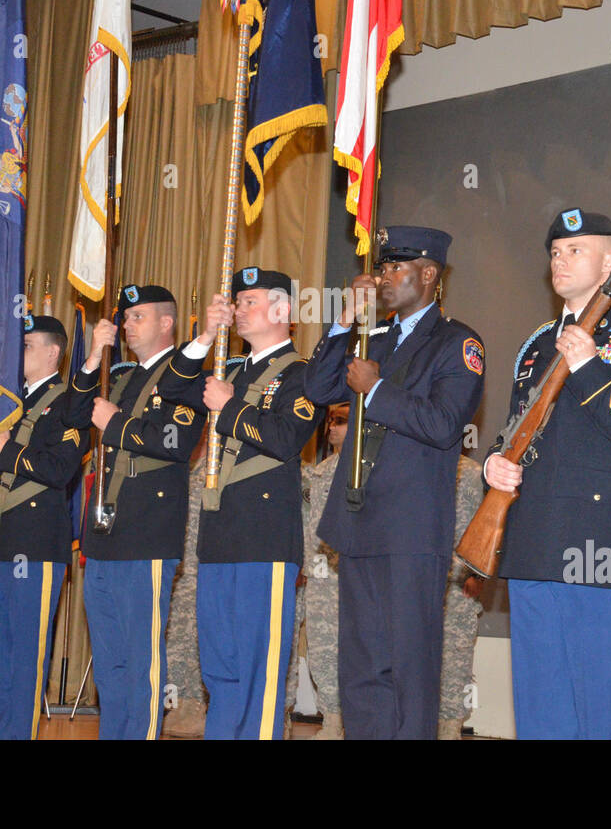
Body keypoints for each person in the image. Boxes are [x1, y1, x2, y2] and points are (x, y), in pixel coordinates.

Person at [483, 208, 611, 739]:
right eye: (554, 252)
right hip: (533, 541)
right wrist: (495, 464)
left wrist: (590, 365)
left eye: (575, 250)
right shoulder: (537, 344)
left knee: (595, 705)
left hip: (597, 549)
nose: (559, 261)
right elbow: (514, 429)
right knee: (539, 703)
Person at [304, 226, 485, 740]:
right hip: (360, 518)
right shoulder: (373, 337)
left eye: (394, 268)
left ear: (428, 274)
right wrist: (343, 322)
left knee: (409, 664)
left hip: (410, 527)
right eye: (381, 268)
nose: (382, 277)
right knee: (361, 664)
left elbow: (444, 424)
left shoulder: (457, 343)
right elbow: (318, 388)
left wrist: (377, 389)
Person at [158, 268, 319, 740]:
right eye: (237, 302)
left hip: (264, 538)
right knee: (221, 666)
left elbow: (287, 439)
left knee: (257, 667)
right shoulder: (227, 366)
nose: (240, 310)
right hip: (220, 534)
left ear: (282, 310)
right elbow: (171, 390)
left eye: (249, 302)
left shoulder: (301, 373)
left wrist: (230, 407)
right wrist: (207, 335)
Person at [76, 285, 204, 740]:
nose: (127, 325)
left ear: (166, 323)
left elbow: (176, 442)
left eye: (138, 317)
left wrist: (116, 423)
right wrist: (94, 357)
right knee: (109, 657)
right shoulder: (123, 376)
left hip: (147, 528)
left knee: (140, 654)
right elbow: (73, 417)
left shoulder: (184, 375)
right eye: (125, 318)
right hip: (105, 528)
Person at [0, 315, 87, 740]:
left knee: (25, 653)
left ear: (53, 353)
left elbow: (60, 470)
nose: (16, 353)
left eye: (26, 345)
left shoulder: (66, 405)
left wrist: (9, 450)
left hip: (37, 542)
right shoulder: (8, 402)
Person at [301, 403, 348, 739]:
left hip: (349, 577)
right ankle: (332, 719)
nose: (331, 427)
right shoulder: (318, 471)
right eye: (330, 420)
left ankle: (351, 720)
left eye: (341, 421)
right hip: (318, 577)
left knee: (351, 650)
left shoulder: (369, 468)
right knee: (320, 649)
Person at [164, 427, 209, 738]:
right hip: (178, 568)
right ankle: (177, 704)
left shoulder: (216, 466)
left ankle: (195, 706)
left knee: (198, 640)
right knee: (176, 639)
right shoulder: (180, 465)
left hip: (208, 569)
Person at [440, 454, 484, 739]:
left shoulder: (474, 473)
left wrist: (476, 574)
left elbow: (485, 526)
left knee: (455, 658)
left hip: (458, 580)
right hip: (418, 578)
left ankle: (449, 729)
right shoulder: (419, 460)